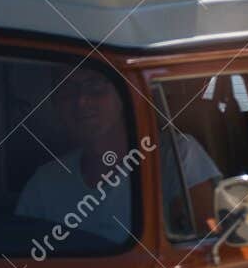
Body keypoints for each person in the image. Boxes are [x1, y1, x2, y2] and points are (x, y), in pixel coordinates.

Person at [16, 66, 220, 245]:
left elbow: (205, 242)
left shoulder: (176, 153)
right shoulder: (43, 183)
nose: (81, 101)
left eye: (95, 86)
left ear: (124, 95)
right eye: (68, 90)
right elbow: (27, 258)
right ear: (56, 103)